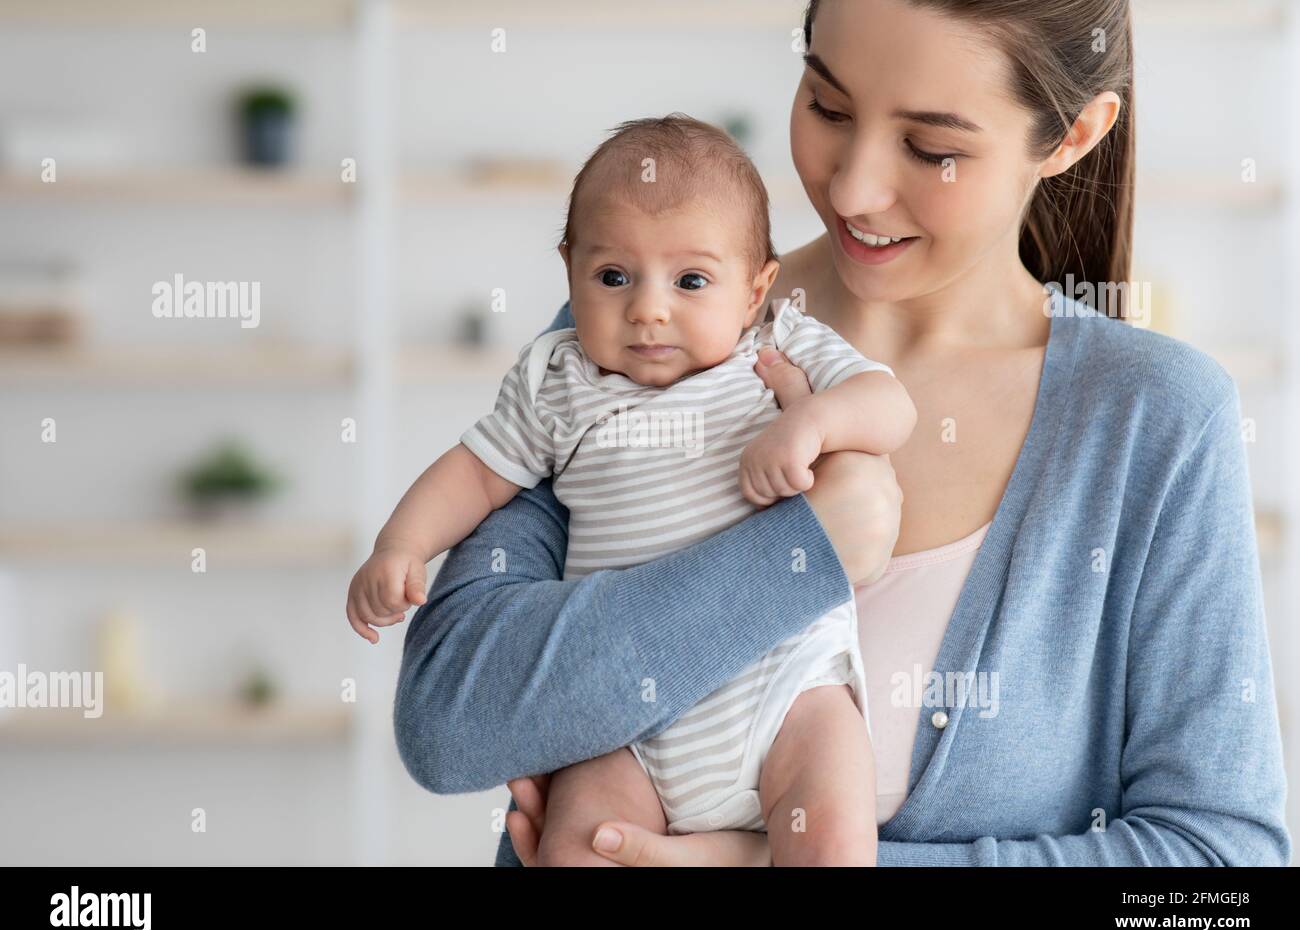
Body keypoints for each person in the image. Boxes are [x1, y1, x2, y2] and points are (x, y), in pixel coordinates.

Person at [393, 0, 1291, 866]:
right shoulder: (641, 336)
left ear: (1072, 135)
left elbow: (1213, 880)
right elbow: (447, 721)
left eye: (930, 147)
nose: (853, 188)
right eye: (826, 103)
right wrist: (799, 552)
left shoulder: (1155, 421)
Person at [351, 114, 918, 865]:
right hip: (621, 731)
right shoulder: (560, 381)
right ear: (569, 269)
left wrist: (813, 423)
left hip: (786, 694)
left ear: (756, 291)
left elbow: (890, 408)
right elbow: (476, 473)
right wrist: (403, 544)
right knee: (577, 846)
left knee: (837, 840)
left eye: (691, 281)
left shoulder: (779, 343)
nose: (649, 308)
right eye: (613, 276)